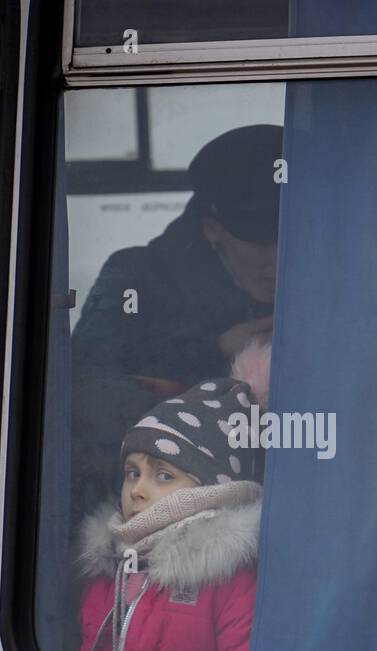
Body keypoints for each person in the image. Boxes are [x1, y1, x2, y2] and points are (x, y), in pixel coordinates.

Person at [69, 124, 282, 528]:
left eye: (290, 239)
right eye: (258, 243)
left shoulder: (331, 285)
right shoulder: (135, 277)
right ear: (212, 229)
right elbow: (87, 388)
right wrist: (213, 352)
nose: (276, 261)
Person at [73, 358, 267, 651]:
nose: (137, 490)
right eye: (132, 473)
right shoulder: (110, 571)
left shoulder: (230, 584)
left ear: (214, 491)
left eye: (163, 475)